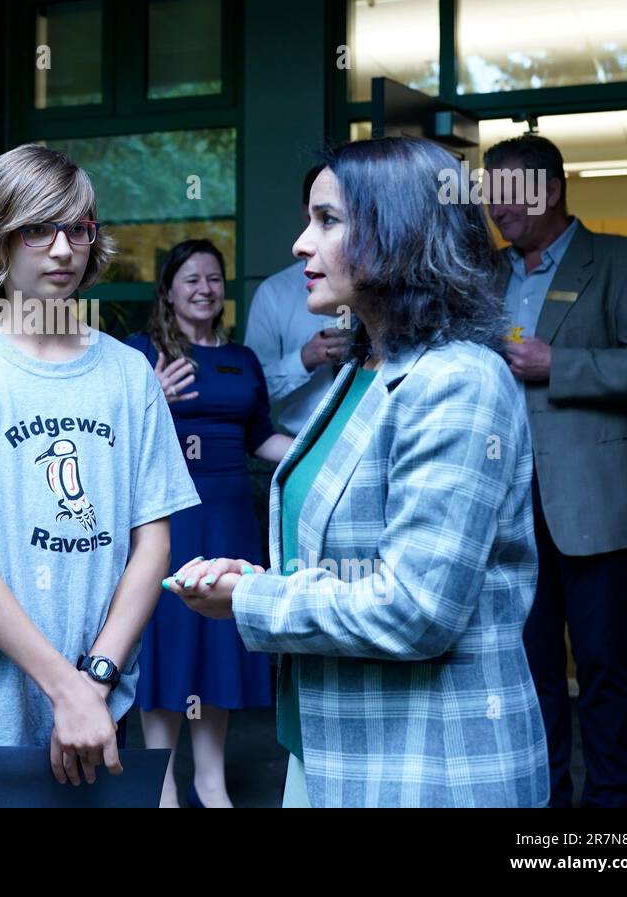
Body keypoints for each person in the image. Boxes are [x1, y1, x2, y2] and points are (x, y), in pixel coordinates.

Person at [168, 136, 550, 808]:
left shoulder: (459, 379)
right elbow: (352, 561)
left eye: (327, 221)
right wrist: (260, 578)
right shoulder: (362, 370)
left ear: (398, 231)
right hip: (326, 750)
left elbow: (415, 609)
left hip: (427, 765)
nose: (298, 244)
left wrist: (249, 600)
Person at [0, 144, 200, 807]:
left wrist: (93, 681)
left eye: (78, 228)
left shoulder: (129, 373)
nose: (63, 249)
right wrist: (65, 688)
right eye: (38, 228)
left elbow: (153, 546)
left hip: (102, 715)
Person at [486, 132, 627, 808]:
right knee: (528, 671)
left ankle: (607, 816)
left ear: (551, 189)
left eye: (508, 193)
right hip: (504, 508)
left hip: (589, 508)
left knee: (602, 671)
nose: (494, 207)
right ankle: (544, 810)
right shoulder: (486, 276)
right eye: (488, 192)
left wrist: (557, 365)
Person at [126, 239, 292, 808]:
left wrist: (319, 451)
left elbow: (262, 437)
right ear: (168, 291)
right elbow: (115, 441)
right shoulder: (140, 353)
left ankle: (210, 781)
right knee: (169, 640)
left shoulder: (241, 359)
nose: (204, 288)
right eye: (191, 278)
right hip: (167, 518)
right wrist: (149, 395)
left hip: (229, 519)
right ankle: (163, 784)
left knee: (221, 640)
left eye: (214, 278)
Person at [245, 165, 349, 437]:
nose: (299, 245)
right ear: (306, 211)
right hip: (294, 445)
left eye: (330, 218)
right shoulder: (274, 293)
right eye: (320, 217)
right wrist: (303, 359)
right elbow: (251, 390)